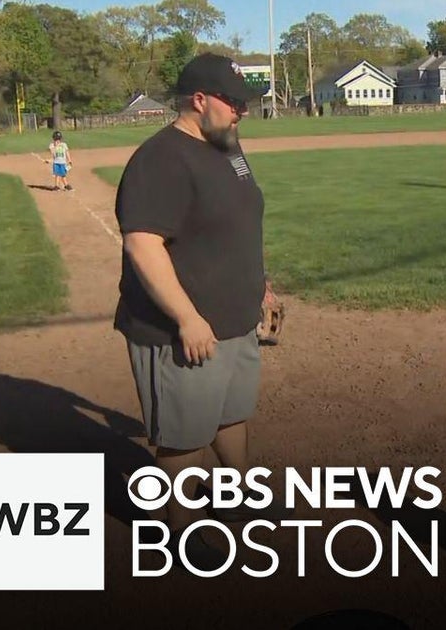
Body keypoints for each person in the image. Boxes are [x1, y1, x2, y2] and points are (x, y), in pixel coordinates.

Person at [112, 52, 287, 570]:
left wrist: (260, 286)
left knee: (231, 414)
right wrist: (187, 317)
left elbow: (241, 221)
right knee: (184, 436)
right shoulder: (160, 159)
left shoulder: (228, 146)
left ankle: (237, 495)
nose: (242, 112)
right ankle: (175, 526)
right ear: (199, 100)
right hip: (181, 330)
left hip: (235, 319)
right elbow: (143, 244)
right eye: (234, 103)